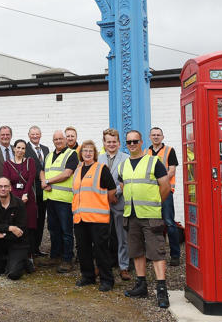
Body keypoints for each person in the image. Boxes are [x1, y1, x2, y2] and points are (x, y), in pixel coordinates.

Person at [118, 130, 171, 308]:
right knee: (137, 251)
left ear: (141, 142)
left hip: (150, 215)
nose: (132, 144)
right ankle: (141, 285)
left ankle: (162, 289)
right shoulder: (123, 165)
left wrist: (156, 203)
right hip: (131, 215)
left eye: (135, 141)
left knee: (156, 252)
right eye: (129, 142)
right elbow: (123, 186)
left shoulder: (154, 162)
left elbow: (165, 186)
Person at [72, 140, 117, 291]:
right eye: (85, 150)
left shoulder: (101, 168)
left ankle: (107, 280)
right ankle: (88, 277)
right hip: (80, 218)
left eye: (90, 151)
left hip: (98, 219)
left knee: (101, 250)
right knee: (83, 249)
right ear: (81, 153)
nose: (87, 153)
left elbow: (111, 190)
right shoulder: (77, 170)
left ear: (95, 153)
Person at [40, 129, 78, 273]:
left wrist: (48, 181)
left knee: (66, 231)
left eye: (60, 139)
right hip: (50, 198)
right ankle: (55, 256)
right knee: (53, 229)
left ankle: (68, 259)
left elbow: (67, 173)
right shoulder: (49, 155)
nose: (58, 141)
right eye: (55, 139)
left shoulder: (71, 154)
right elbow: (42, 170)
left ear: (65, 140)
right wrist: (44, 181)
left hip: (64, 200)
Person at [99, 128, 131, 281]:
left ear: (119, 143)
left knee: (122, 236)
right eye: (108, 142)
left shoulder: (126, 158)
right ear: (104, 143)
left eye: (114, 142)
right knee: (101, 236)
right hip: (101, 203)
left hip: (119, 202)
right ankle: (102, 265)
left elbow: (126, 180)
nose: (111, 144)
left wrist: (113, 194)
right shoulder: (98, 159)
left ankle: (124, 266)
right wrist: (104, 195)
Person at [148, 126, 182, 266]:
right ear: (150, 137)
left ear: (162, 137)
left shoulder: (169, 150)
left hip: (166, 190)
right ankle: (153, 253)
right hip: (150, 193)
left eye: (158, 135)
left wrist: (159, 181)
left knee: (169, 222)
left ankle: (175, 255)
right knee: (151, 225)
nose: (156, 137)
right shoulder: (146, 152)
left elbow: (172, 171)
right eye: (153, 135)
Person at [2, 139, 37, 272]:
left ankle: (30, 258)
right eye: (18, 148)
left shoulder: (30, 162)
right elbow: (6, 182)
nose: (20, 150)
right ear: (14, 149)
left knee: (29, 228)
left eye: (23, 148)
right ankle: (15, 258)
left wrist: (26, 194)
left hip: (28, 200)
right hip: (14, 200)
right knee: (15, 227)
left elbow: (31, 179)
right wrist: (15, 199)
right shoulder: (7, 164)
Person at [0, 177, 29, 280]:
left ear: (10, 188)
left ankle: (23, 262)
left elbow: (20, 230)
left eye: (6, 186)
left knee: (13, 275)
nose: (3, 189)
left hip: (18, 243)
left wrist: (3, 235)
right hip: (3, 241)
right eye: (0, 186)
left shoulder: (19, 204)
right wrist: (10, 228)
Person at [25, 125, 49, 257]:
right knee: (32, 220)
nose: (35, 136)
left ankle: (37, 247)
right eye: (32, 134)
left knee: (41, 221)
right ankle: (30, 248)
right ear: (29, 135)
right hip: (32, 190)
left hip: (45, 191)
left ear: (40, 135)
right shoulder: (26, 149)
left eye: (37, 134)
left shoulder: (45, 149)